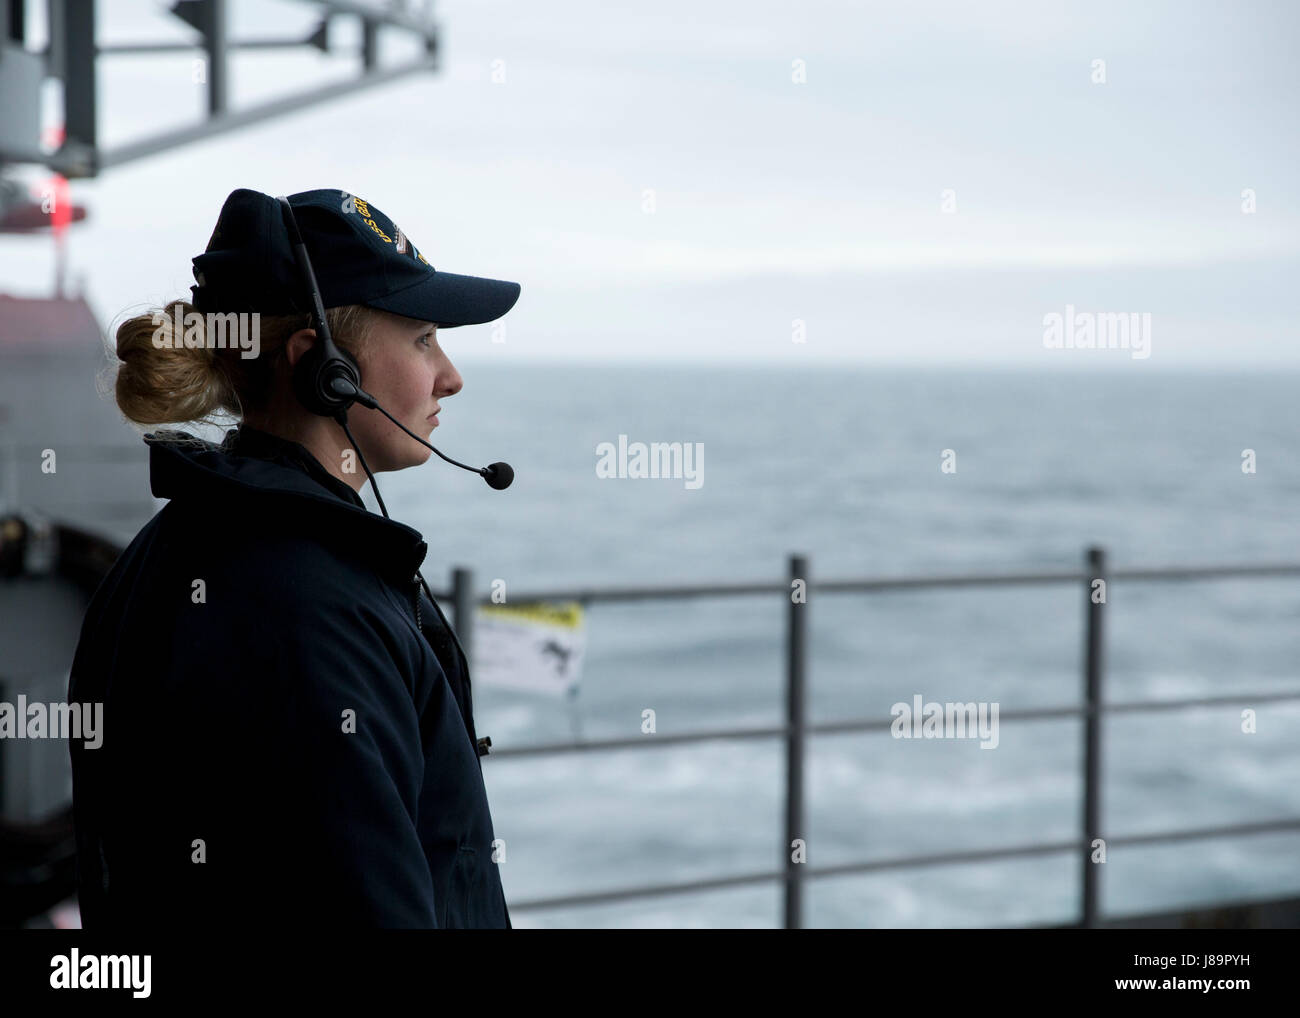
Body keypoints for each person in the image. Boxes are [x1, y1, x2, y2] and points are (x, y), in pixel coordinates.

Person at [66, 187, 521, 928]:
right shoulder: (305, 607)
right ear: (324, 368)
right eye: (422, 338)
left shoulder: (182, 549)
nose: (450, 375)